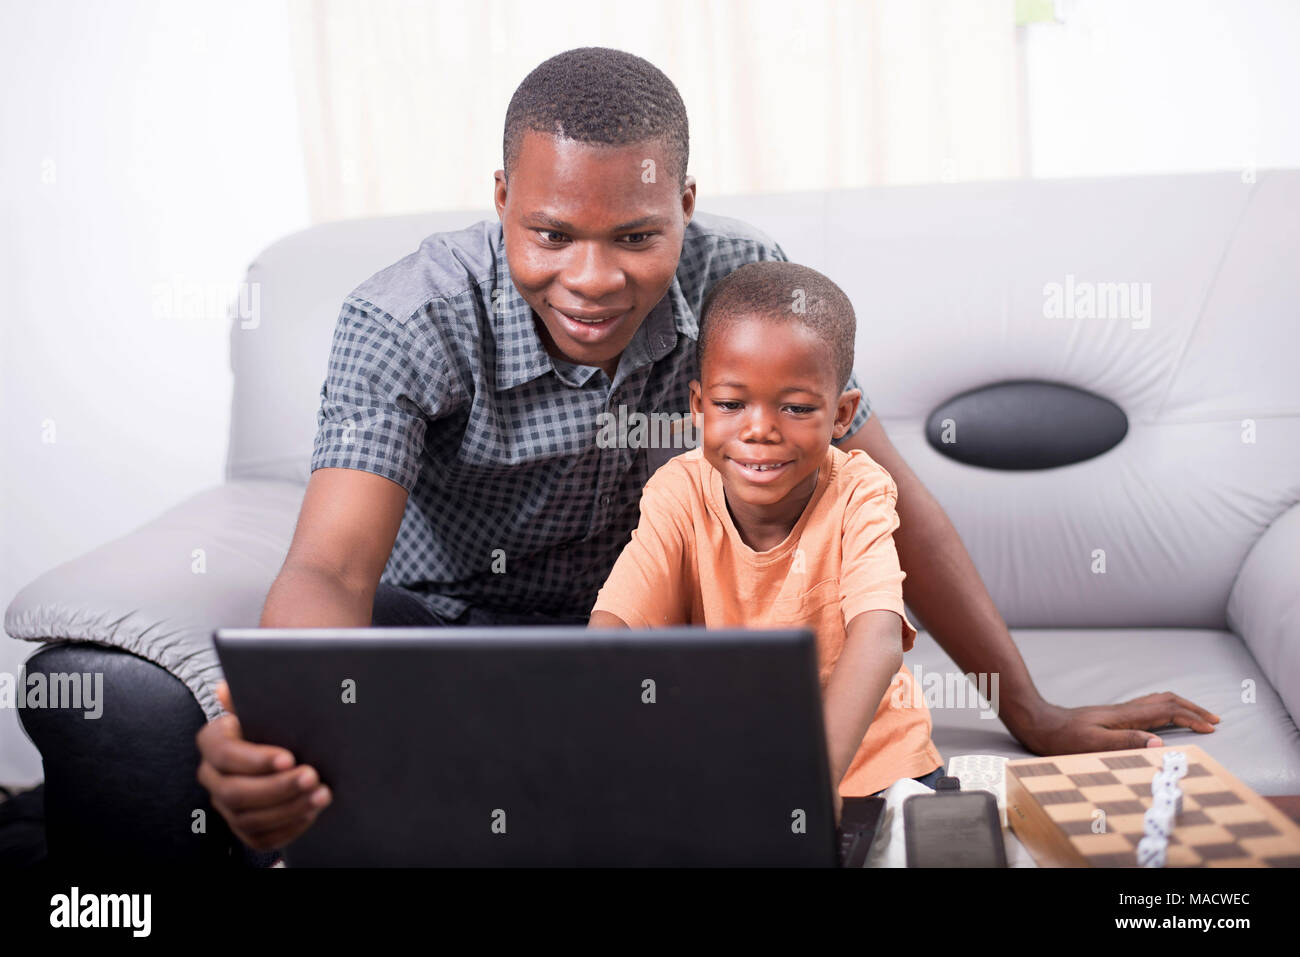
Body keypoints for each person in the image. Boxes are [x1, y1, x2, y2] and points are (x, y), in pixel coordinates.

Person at [197, 47, 1218, 854]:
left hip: (672, 645)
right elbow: (330, 566)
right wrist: (274, 732)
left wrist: (1027, 711)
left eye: (635, 237)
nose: (591, 279)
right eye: (550, 233)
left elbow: (889, 509)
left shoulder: (749, 283)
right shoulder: (404, 317)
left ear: (685, 206)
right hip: (460, 636)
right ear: (500, 196)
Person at [589, 261, 945, 822]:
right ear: (699, 408)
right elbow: (614, 629)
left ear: (841, 415)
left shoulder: (860, 490)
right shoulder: (678, 491)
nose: (759, 429)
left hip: (873, 766)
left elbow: (877, 637)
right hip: (731, 771)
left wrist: (814, 777)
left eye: (798, 408)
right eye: (732, 405)